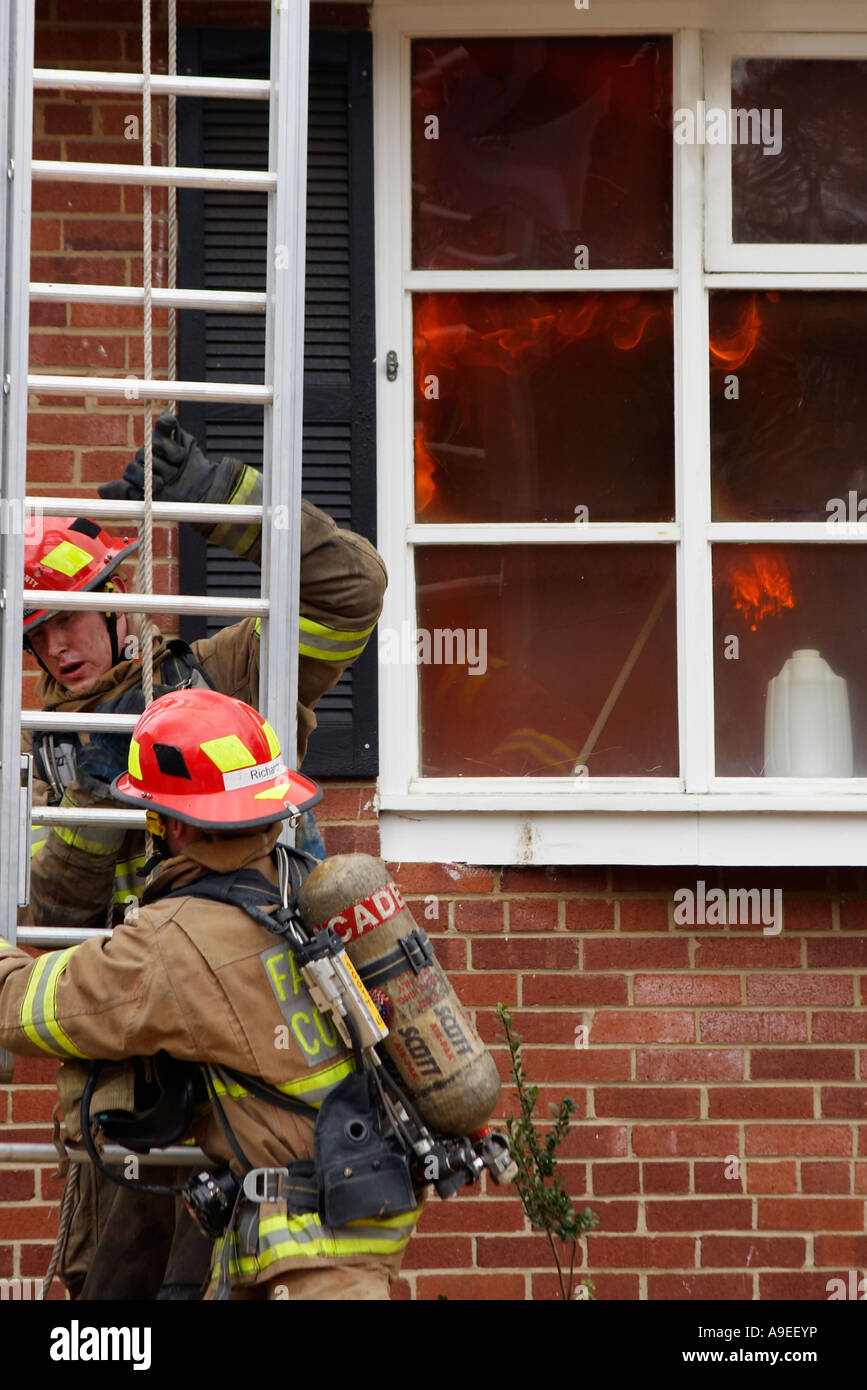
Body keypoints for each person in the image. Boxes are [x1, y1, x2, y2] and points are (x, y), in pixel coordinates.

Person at [18, 413, 388, 1299]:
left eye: (69, 616)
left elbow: (351, 592)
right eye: (36, 633)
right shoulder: (29, 748)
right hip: (128, 1101)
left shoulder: (225, 680)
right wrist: (90, 802)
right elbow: (42, 929)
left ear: (118, 596)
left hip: (253, 1091)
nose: (58, 647)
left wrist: (226, 501)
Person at [0, 690, 421, 1301]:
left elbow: (22, 1008)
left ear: (171, 823)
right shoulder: (307, 885)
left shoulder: (172, 945)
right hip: (342, 1231)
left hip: (311, 1262)